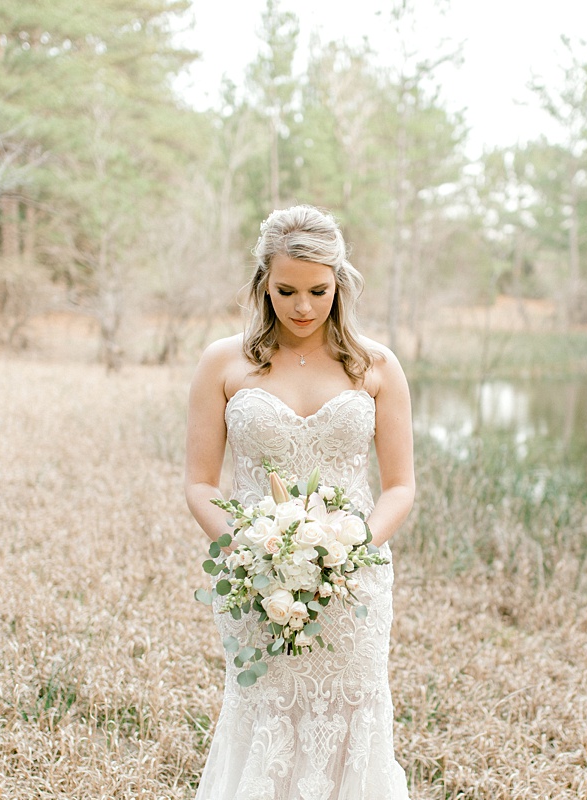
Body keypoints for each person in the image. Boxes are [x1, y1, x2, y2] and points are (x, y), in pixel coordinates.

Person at [184, 205, 414, 799]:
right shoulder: (223, 362)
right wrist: (250, 552)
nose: (303, 307)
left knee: (352, 714)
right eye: (286, 290)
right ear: (264, 282)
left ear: (340, 283)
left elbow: (400, 487)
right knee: (266, 711)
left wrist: (352, 550)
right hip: (256, 579)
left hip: (353, 583)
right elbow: (201, 485)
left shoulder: (376, 365)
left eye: (318, 290)